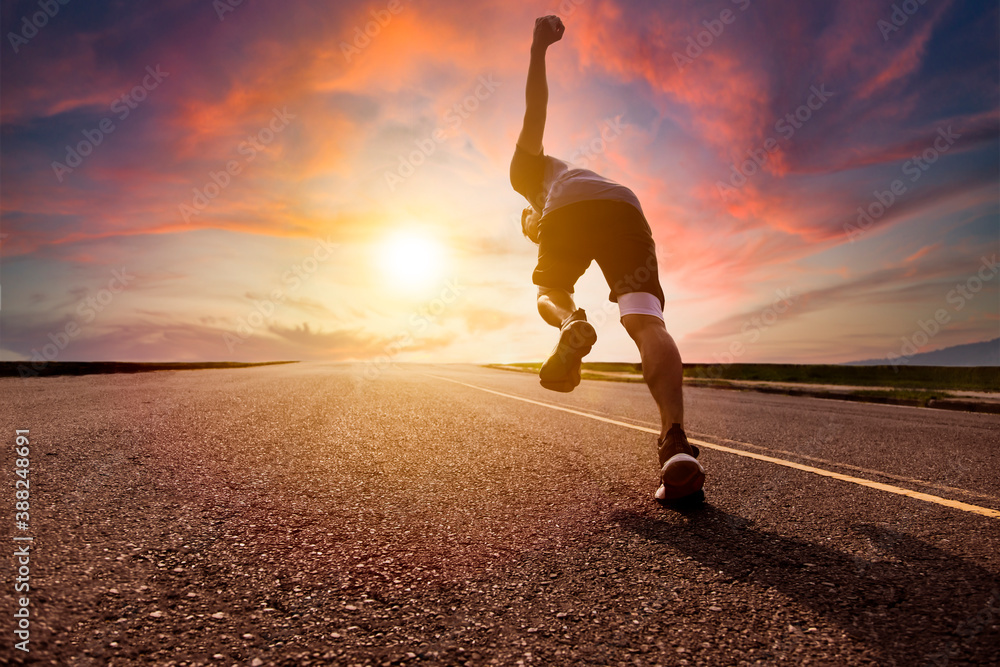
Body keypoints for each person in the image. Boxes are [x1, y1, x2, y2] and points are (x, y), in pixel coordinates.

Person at [509, 15, 705, 501]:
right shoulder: (576, 176)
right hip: (624, 205)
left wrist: (538, 47)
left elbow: (536, 108)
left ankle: (570, 321)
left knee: (549, 290)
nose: (531, 231)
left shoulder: (527, 177)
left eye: (528, 226)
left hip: (570, 207)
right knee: (646, 322)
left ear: (531, 216)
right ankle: (675, 442)